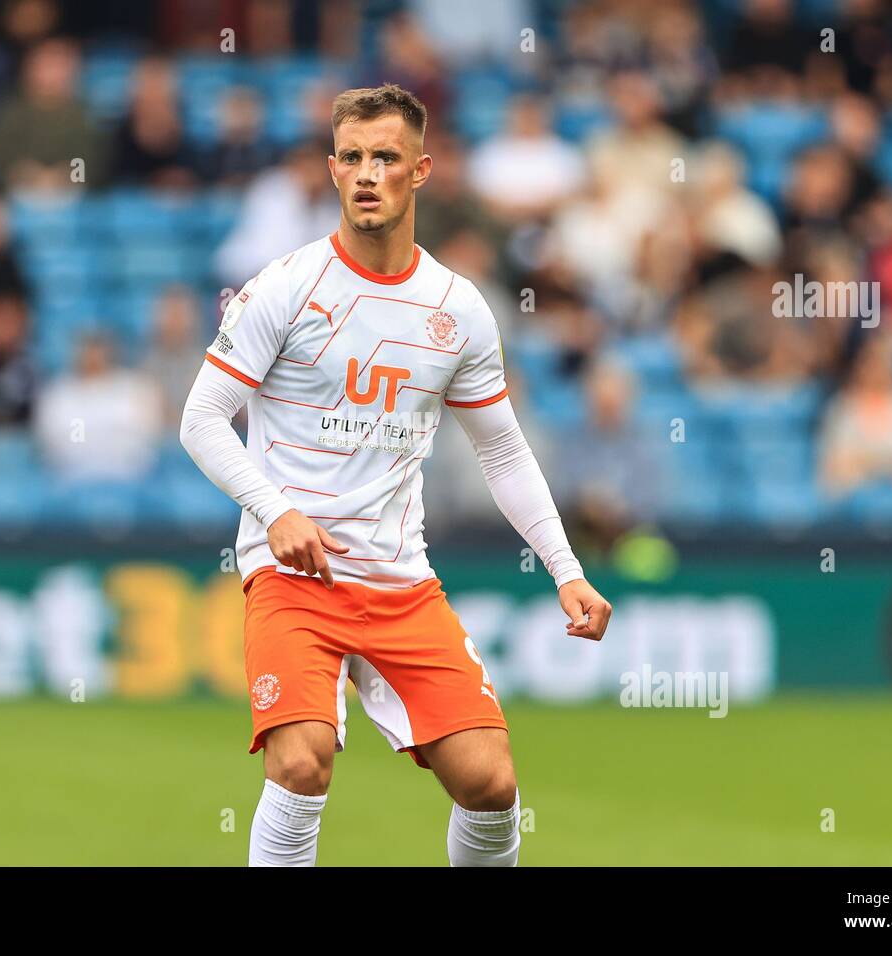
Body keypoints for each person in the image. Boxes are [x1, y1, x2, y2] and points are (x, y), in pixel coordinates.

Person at [179, 84, 612, 868]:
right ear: (333, 170)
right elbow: (201, 418)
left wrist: (567, 570)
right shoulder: (284, 287)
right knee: (301, 760)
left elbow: (503, 451)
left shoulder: (458, 310)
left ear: (421, 170)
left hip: (399, 581)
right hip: (292, 576)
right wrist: (275, 512)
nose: (366, 174)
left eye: (385, 157)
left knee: (492, 783)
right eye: (351, 158)